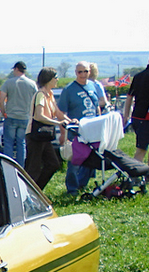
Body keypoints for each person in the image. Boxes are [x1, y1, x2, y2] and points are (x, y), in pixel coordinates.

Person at [25, 67, 74, 190]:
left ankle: (37, 191)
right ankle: (27, 194)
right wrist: (57, 123)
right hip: (35, 136)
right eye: (55, 77)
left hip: (44, 136)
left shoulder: (50, 95)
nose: (57, 80)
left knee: (53, 164)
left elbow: (58, 113)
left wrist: (69, 121)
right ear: (48, 79)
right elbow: (39, 116)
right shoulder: (40, 95)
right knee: (33, 168)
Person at [58, 61, 103, 195]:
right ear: (76, 73)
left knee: (91, 158)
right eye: (80, 72)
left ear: (90, 72)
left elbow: (97, 106)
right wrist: (63, 133)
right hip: (76, 130)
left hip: (92, 128)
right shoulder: (69, 89)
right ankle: (72, 188)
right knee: (75, 160)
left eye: (86, 71)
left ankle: (82, 183)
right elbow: (61, 112)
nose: (83, 74)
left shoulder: (93, 86)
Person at [0, 61, 38, 167]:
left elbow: (1, 100)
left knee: (8, 143)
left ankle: (8, 166)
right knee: (21, 143)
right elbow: (36, 101)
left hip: (10, 116)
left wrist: (3, 112)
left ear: (16, 69)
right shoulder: (32, 84)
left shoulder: (8, 83)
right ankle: (20, 167)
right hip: (25, 117)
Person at [122, 51, 149, 170]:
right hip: (148, 118)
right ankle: (135, 174)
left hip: (137, 117)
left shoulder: (138, 76)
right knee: (141, 149)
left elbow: (129, 97)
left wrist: (126, 115)